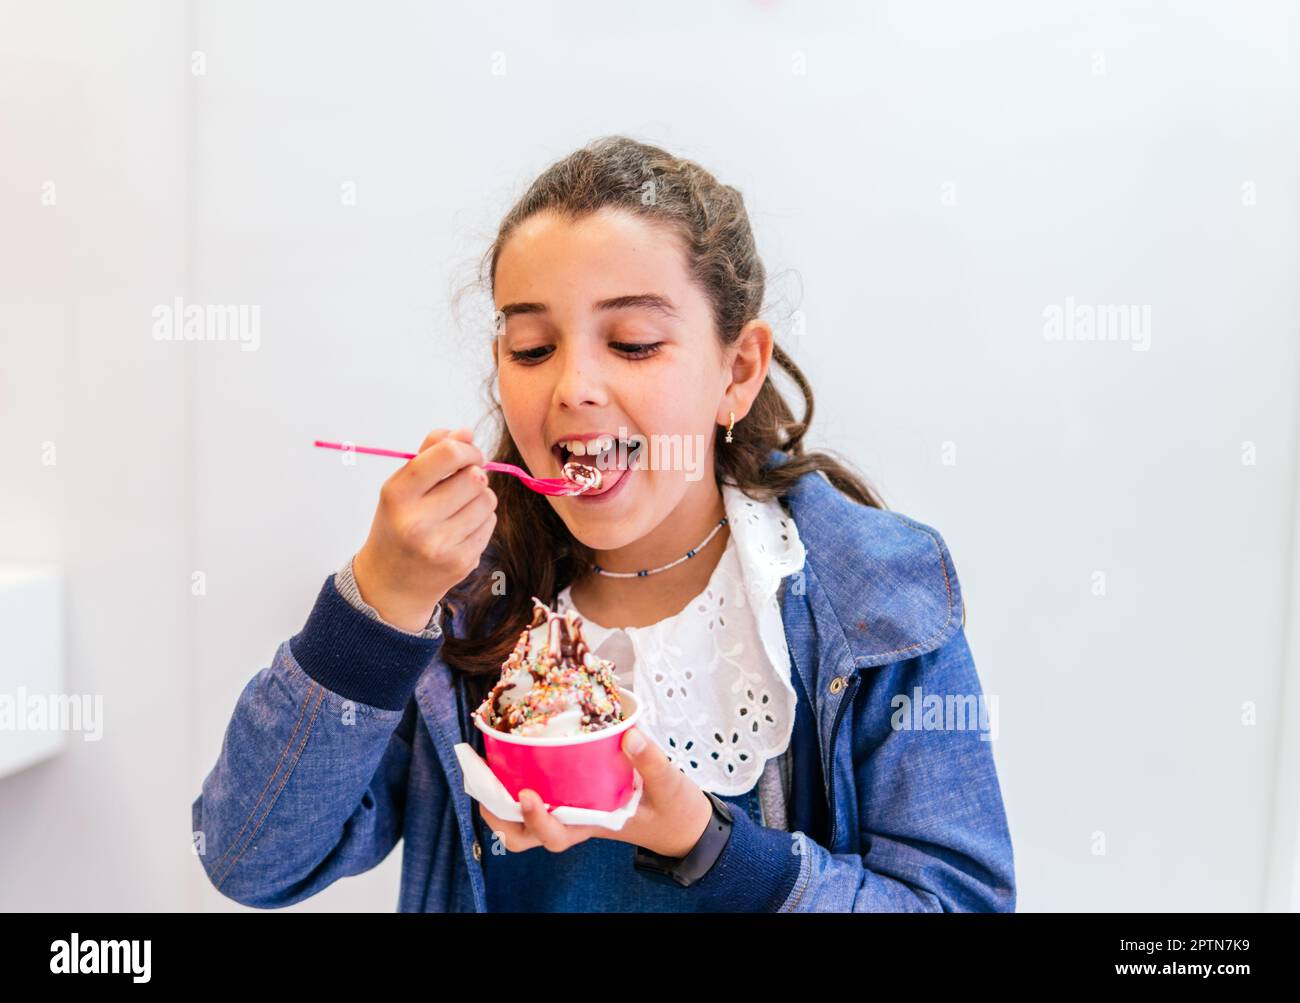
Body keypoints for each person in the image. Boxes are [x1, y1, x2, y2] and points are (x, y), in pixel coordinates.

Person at [192, 135, 1015, 912]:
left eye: (632, 342)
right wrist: (377, 602)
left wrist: (710, 846)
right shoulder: (464, 609)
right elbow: (251, 856)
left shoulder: (874, 597)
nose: (574, 385)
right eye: (532, 347)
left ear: (737, 371)